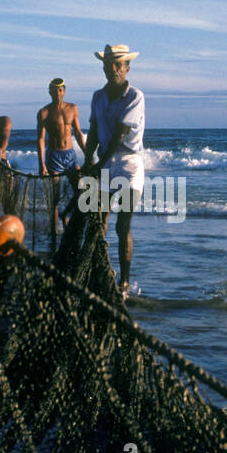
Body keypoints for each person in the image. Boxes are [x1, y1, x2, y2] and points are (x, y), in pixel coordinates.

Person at [83, 44, 146, 294]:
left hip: (130, 164)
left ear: (127, 68)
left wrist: (98, 164)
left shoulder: (135, 96)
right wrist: (89, 160)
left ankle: (124, 282)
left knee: (123, 226)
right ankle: (100, 270)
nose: (113, 69)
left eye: (118, 65)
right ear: (104, 67)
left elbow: (120, 134)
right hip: (106, 163)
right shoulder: (98, 96)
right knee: (99, 221)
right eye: (109, 64)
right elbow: (95, 132)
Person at [37, 78, 85, 176]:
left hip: (70, 153)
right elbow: (41, 139)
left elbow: (77, 133)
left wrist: (88, 155)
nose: (58, 93)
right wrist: (41, 165)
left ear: (64, 92)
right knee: (55, 187)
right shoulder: (44, 112)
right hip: (54, 155)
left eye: (60, 90)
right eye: (54, 90)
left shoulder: (72, 108)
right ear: (50, 92)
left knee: (79, 183)